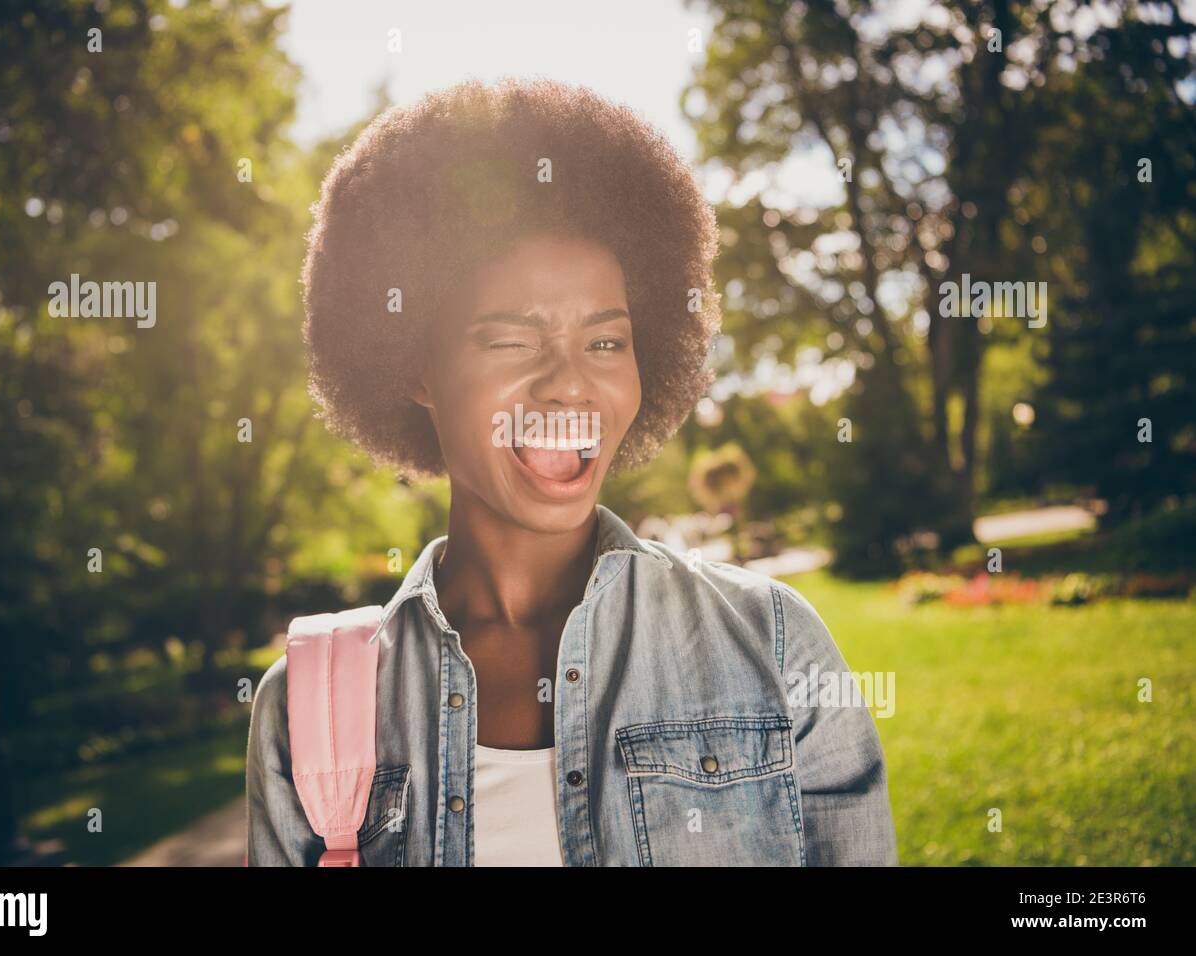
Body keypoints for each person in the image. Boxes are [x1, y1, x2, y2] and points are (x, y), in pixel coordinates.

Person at [245, 77, 897, 866]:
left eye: (606, 341)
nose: (570, 384)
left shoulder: (773, 642)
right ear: (417, 369)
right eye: (511, 340)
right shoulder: (309, 707)